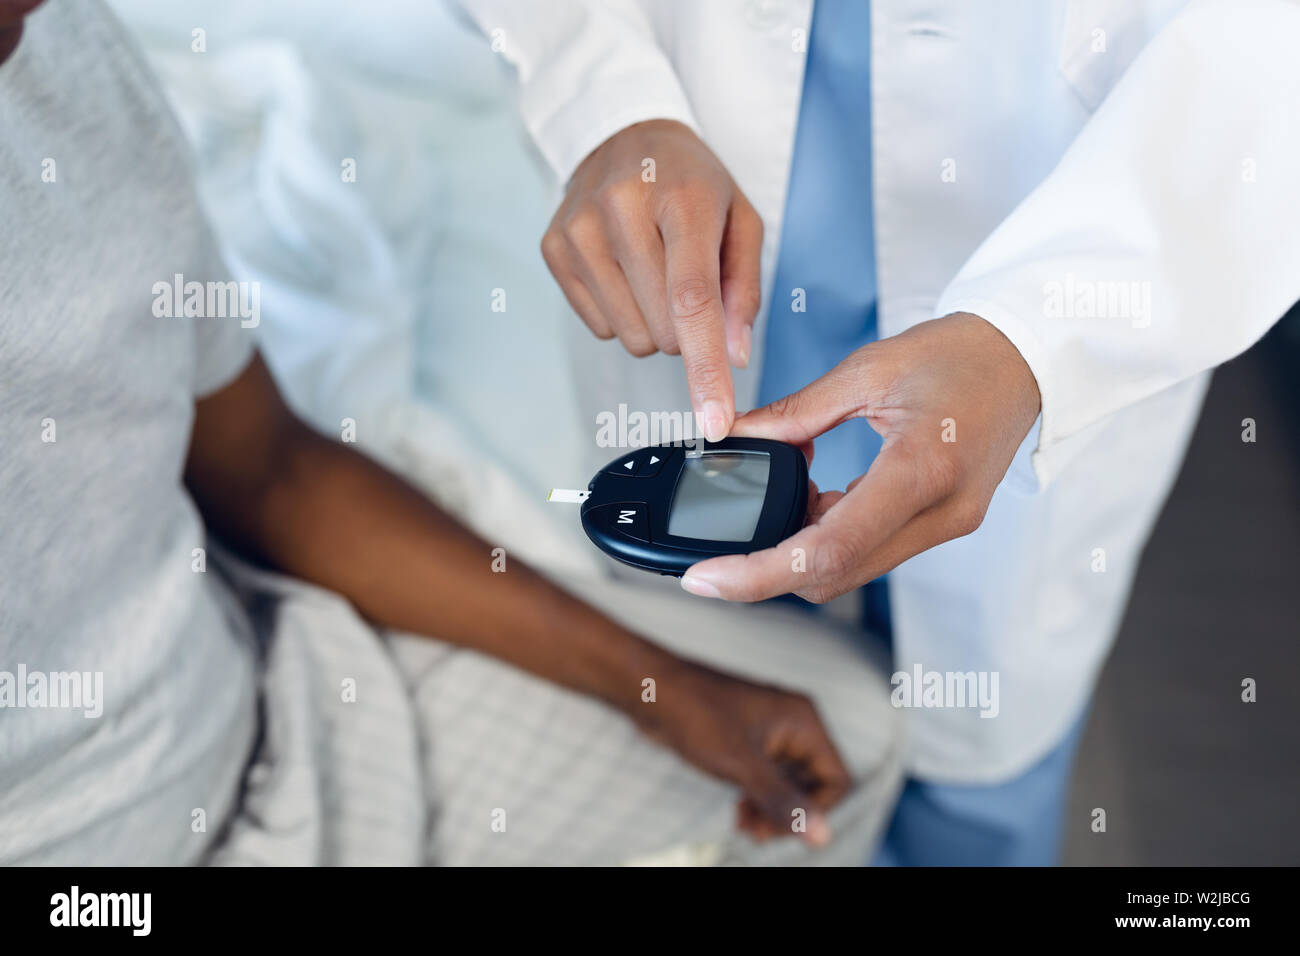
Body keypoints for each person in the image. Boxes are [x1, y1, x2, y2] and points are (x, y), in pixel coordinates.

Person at [0, 0, 903, 865]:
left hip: (289, 710)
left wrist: (659, 688)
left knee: (846, 739)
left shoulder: (63, 45)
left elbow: (270, 470)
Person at [457, 0, 1300, 863]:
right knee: (727, 747)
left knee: (976, 775)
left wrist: (1033, 341)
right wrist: (607, 101)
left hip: (1061, 261)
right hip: (705, 223)